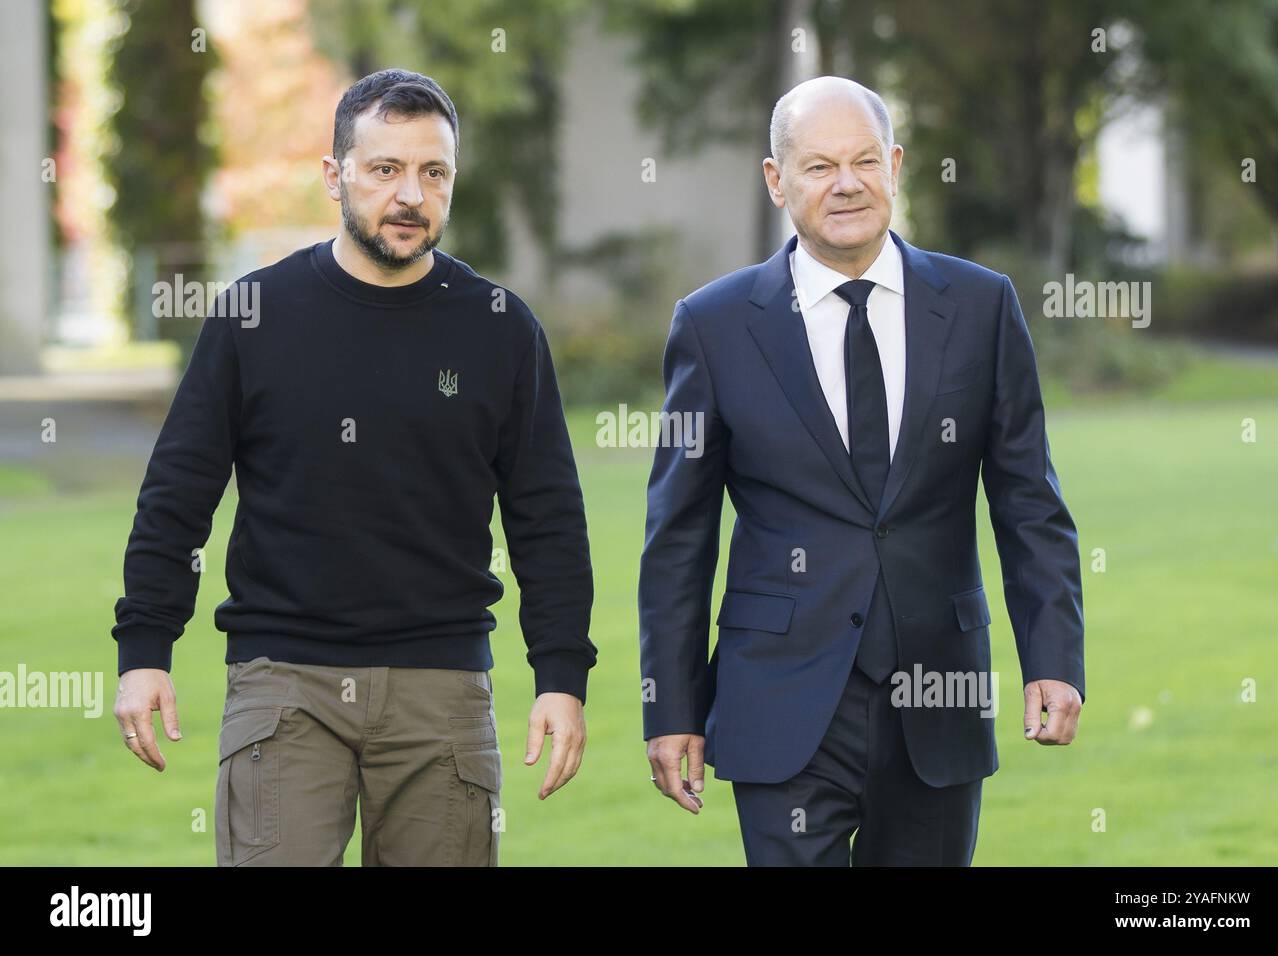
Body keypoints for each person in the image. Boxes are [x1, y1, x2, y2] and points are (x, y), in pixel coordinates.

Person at [111, 68, 596, 866]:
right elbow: (176, 496)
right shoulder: (252, 316)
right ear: (335, 175)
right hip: (284, 683)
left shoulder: (501, 329)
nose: (410, 194)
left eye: (432, 172)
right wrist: (145, 652)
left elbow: (548, 518)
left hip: (442, 689)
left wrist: (561, 673)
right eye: (385, 170)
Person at [638, 75, 1085, 865]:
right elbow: (678, 536)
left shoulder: (982, 307)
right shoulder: (713, 326)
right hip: (780, 699)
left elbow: (1029, 501)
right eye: (817, 166)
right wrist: (671, 708)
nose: (847, 184)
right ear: (776, 181)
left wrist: (1053, 660)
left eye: (865, 161)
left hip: (937, 697)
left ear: (896, 165)